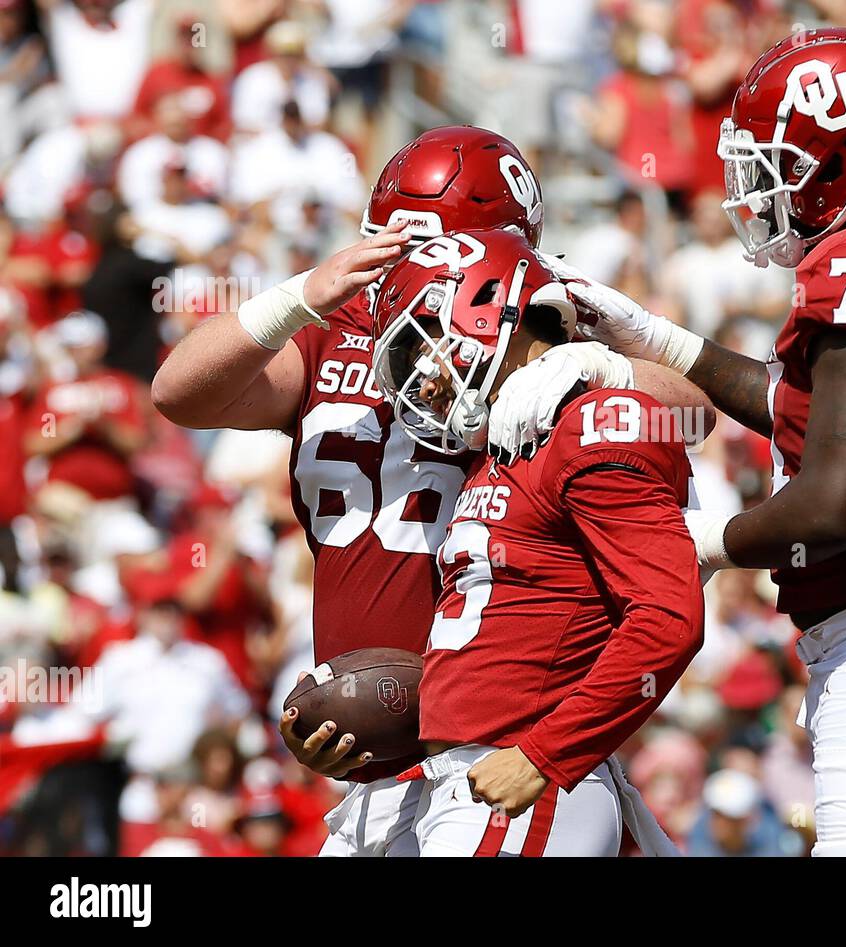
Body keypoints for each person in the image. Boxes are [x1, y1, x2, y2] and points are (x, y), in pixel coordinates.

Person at [490, 29, 846, 857]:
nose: (760, 186)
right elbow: (818, 412)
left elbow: (833, 505)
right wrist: (652, 340)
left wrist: (697, 542)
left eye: (785, 161)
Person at [152, 125, 705, 856]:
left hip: (498, 737)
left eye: (437, 251)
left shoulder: (536, 352)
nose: (414, 272)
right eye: (397, 247)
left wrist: (585, 361)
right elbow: (178, 392)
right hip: (377, 763)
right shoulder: (335, 331)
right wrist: (296, 296)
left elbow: (682, 410)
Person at [369, 230, 703, 856]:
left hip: (522, 785)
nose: (423, 381)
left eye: (424, 347)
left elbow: (669, 618)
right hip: (466, 781)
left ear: (485, 312)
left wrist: (544, 756)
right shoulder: (502, 445)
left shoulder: (591, 422)